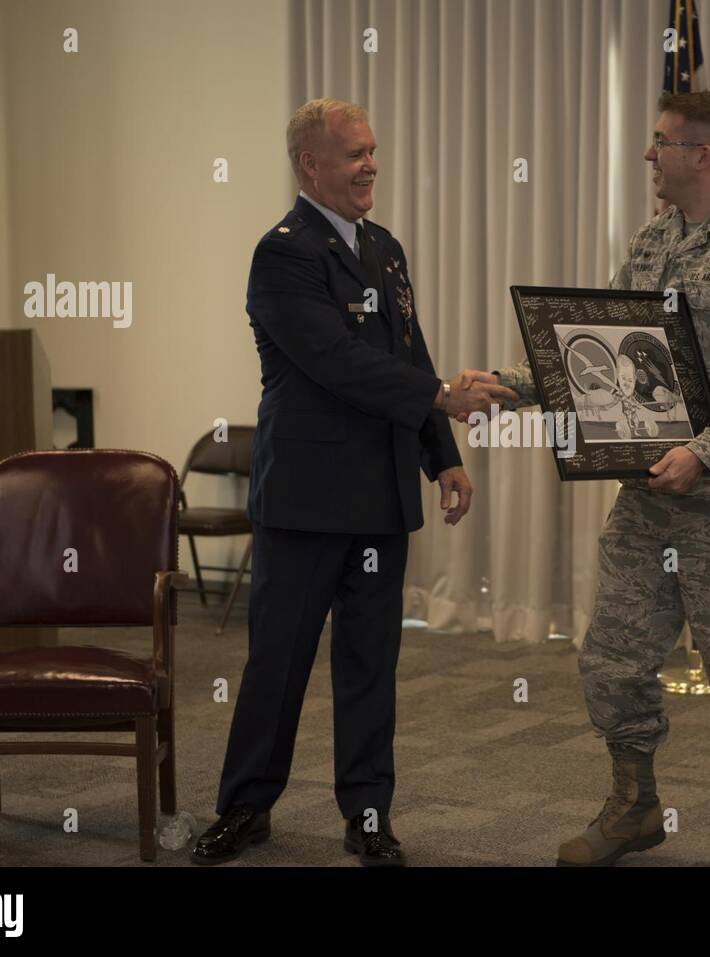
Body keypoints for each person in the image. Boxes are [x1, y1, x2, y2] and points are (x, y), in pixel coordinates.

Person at [484, 91, 710, 866]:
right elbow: (600, 349)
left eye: (660, 141)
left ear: (704, 155)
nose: (647, 154)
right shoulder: (652, 242)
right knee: (614, 656)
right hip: (651, 499)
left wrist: (706, 451)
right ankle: (633, 802)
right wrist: (513, 383)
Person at [191, 97, 517, 868]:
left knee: (371, 663)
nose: (371, 164)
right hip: (306, 502)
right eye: (354, 154)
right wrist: (441, 396)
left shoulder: (384, 247)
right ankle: (245, 805)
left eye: (373, 150)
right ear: (312, 164)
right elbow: (335, 362)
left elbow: (408, 353)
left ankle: (368, 810)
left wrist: (444, 456)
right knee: (280, 662)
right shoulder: (284, 254)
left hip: (378, 501)